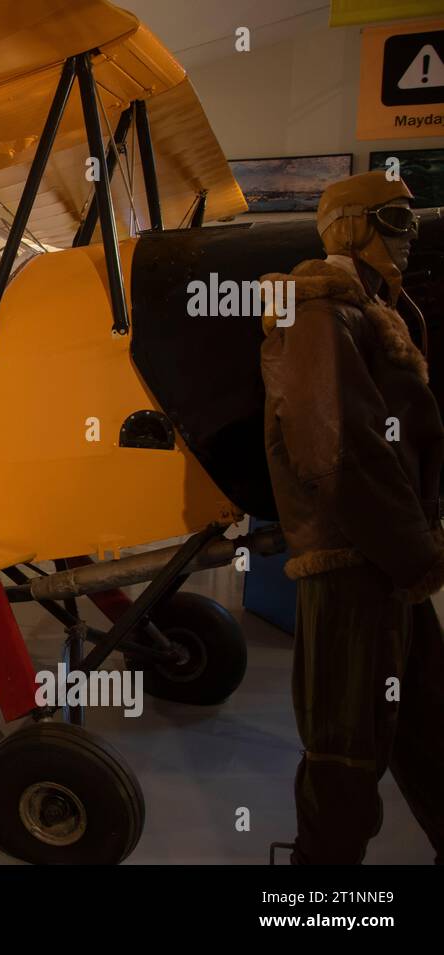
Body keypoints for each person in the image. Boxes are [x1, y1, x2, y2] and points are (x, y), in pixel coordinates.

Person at [260, 170, 444, 864]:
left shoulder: (366, 311)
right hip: (354, 565)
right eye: (397, 223)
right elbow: (338, 451)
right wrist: (415, 552)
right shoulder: (319, 311)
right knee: (344, 755)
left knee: (428, 727)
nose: (409, 241)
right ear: (353, 228)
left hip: (390, 559)